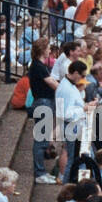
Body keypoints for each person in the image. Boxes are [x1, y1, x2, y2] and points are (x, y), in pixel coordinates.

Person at [28, 37, 59, 184]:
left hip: (45, 103)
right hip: (42, 104)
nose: (49, 51)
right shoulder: (38, 66)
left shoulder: (40, 65)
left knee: (43, 138)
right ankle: (39, 173)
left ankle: (41, 172)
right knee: (41, 140)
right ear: (42, 50)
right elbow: (52, 83)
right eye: (47, 48)